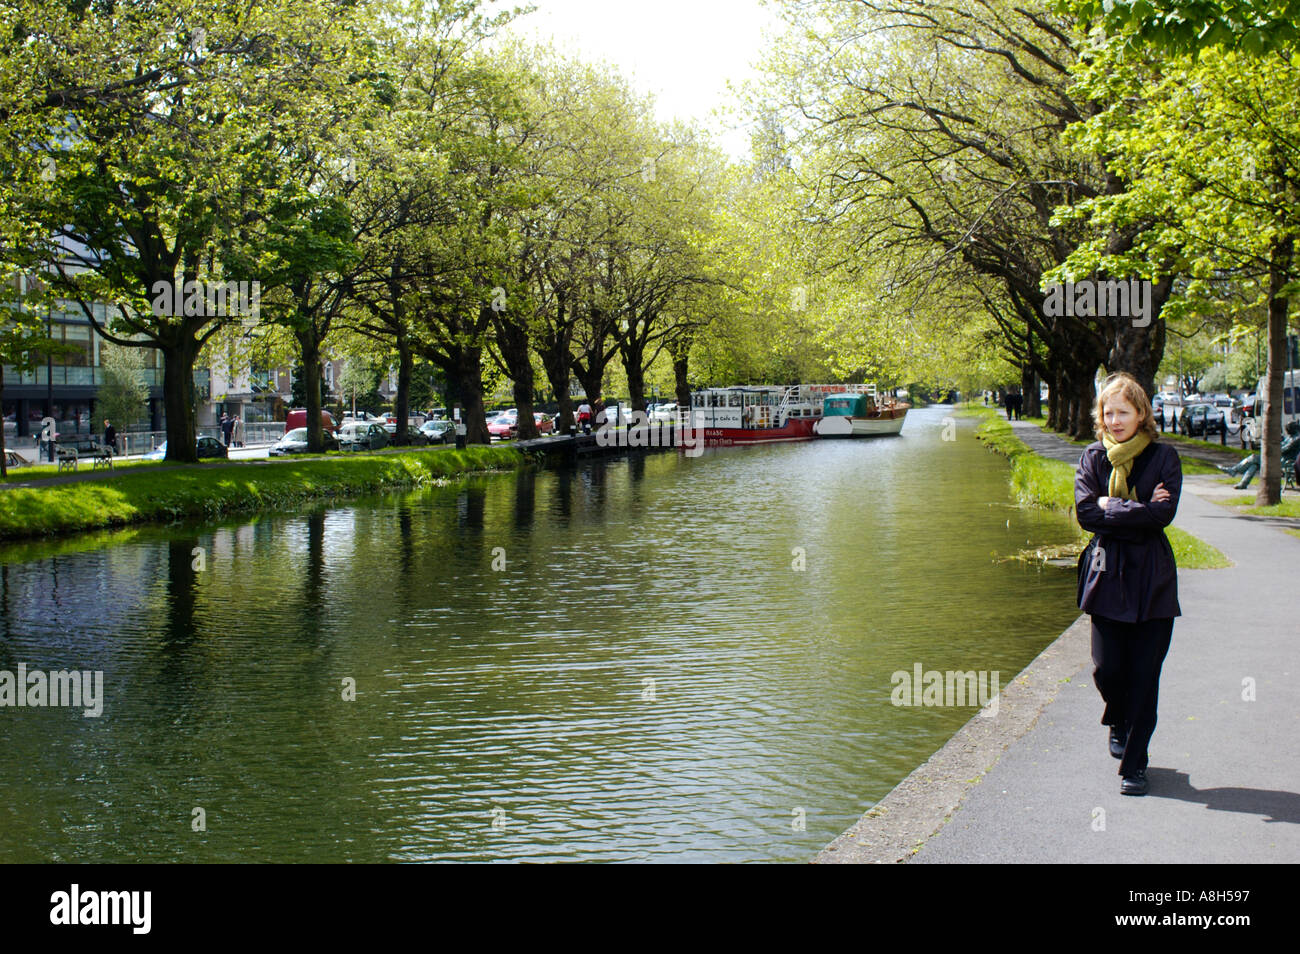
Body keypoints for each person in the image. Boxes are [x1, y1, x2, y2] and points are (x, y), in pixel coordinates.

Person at [1074, 372, 1182, 797]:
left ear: (1141, 413)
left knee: (1144, 675)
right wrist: (1134, 508)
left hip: (1152, 579)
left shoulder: (1165, 457)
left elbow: (1162, 516)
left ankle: (1136, 765)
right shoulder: (1092, 458)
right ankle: (1116, 717)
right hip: (1106, 576)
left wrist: (1110, 506)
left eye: (1123, 411)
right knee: (1108, 668)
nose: (1115, 420)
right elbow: (1085, 514)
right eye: (1108, 412)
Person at [1217, 420, 1300, 489]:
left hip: (1284, 461)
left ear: (1293, 428)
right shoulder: (1291, 437)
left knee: (1254, 458)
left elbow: (1283, 450)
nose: (1286, 430)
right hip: (1278, 459)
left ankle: (1234, 471)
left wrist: (1275, 445)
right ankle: (1242, 483)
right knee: (1254, 464)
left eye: (1288, 428)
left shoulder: (1296, 439)